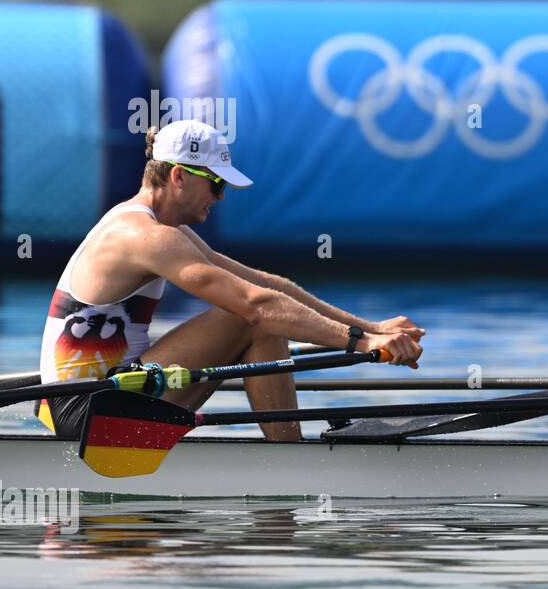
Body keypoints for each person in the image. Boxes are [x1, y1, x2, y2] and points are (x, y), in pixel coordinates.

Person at [38, 119, 423, 440]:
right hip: (88, 411)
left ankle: (287, 458)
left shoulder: (160, 227)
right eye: (216, 183)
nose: (220, 197)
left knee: (269, 311)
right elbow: (256, 306)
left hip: (104, 396)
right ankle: (291, 468)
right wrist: (363, 343)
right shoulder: (145, 236)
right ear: (178, 176)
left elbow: (272, 287)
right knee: (251, 317)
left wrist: (369, 326)